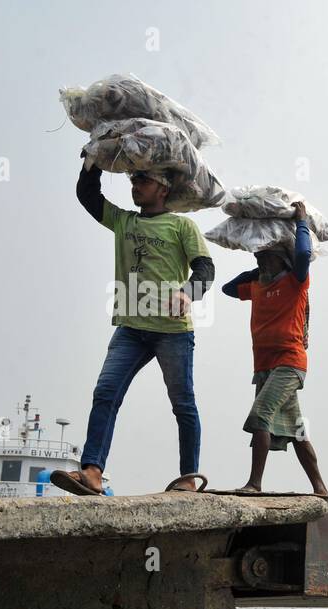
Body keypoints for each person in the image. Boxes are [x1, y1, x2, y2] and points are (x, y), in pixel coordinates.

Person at [52, 162, 215, 495]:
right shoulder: (124, 221)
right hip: (130, 328)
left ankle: (187, 477)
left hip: (173, 332)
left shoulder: (182, 226)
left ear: (164, 190)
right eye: (133, 178)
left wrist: (188, 292)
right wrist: (91, 164)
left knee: (182, 403)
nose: (135, 184)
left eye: (143, 179)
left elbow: (205, 268)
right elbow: (88, 195)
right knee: (106, 393)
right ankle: (92, 471)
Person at [219, 203, 328, 496]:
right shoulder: (256, 285)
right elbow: (227, 289)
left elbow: (304, 254)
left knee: (260, 415)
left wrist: (302, 221)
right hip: (264, 367)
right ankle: (321, 488)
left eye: (268, 257)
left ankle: (255, 483)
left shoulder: (295, 282)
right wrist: (258, 266)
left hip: (289, 363)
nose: (263, 262)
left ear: (283, 260)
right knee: (297, 432)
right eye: (260, 258)